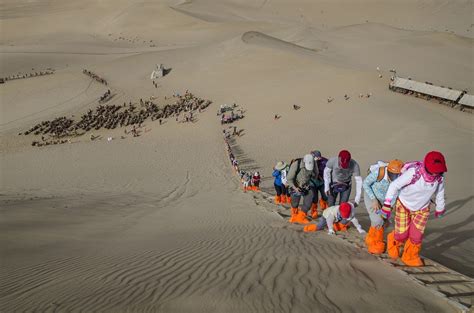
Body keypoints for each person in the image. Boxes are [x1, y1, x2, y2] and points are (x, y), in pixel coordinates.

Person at [382, 151, 447, 267]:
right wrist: (387, 204)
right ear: (427, 167)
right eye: (434, 171)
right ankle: (393, 239)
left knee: (416, 236)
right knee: (401, 235)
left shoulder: (439, 178)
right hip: (404, 205)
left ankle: (410, 256)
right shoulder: (414, 173)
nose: (436, 173)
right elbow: (394, 185)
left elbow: (440, 192)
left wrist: (440, 207)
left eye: (438, 171)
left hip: (422, 209)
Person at [363, 159, 404, 255]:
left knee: (384, 221)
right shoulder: (379, 172)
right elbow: (365, 184)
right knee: (377, 220)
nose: (394, 178)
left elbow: (396, 193)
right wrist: (374, 200)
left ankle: (371, 238)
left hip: (386, 201)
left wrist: (390, 206)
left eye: (397, 175)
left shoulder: (401, 179)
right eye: (392, 175)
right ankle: (375, 245)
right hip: (371, 196)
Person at [286, 154, 317, 224]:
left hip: (306, 185)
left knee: (309, 201)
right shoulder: (296, 164)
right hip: (295, 185)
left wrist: (311, 180)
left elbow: (316, 173)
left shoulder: (314, 163)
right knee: (295, 203)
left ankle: (301, 216)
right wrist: (295, 188)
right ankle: (294, 215)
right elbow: (289, 179)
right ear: (304, 162)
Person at [309, 150, 329, 219]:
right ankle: (313, 211)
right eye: (317, 157)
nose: (319, 158)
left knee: (325, 196)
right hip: (312, 183)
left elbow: (329, 171)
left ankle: (324, 206)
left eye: (319, 157)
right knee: (314, 198)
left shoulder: (325, 161)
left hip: (322, 182)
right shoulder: (309, 162)